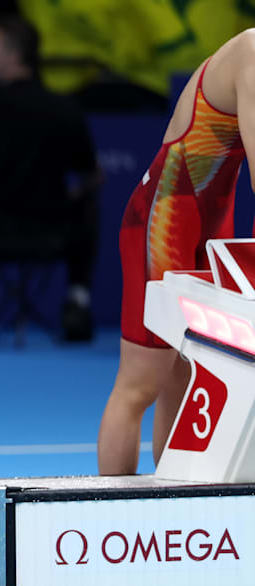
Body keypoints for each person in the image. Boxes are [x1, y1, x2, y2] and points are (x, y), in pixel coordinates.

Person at [98, 29, 254, 475]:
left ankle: (172, 507)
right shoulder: (253, 53)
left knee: (184, 382)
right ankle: (110, 516)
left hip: (210, 220)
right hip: (166, 219)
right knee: (140, 382)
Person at [0, 15, 102, 342]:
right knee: (87, 205)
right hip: (53, 233)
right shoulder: (64, 108)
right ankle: (78, 297)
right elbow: (93, 175)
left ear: (14, 55)